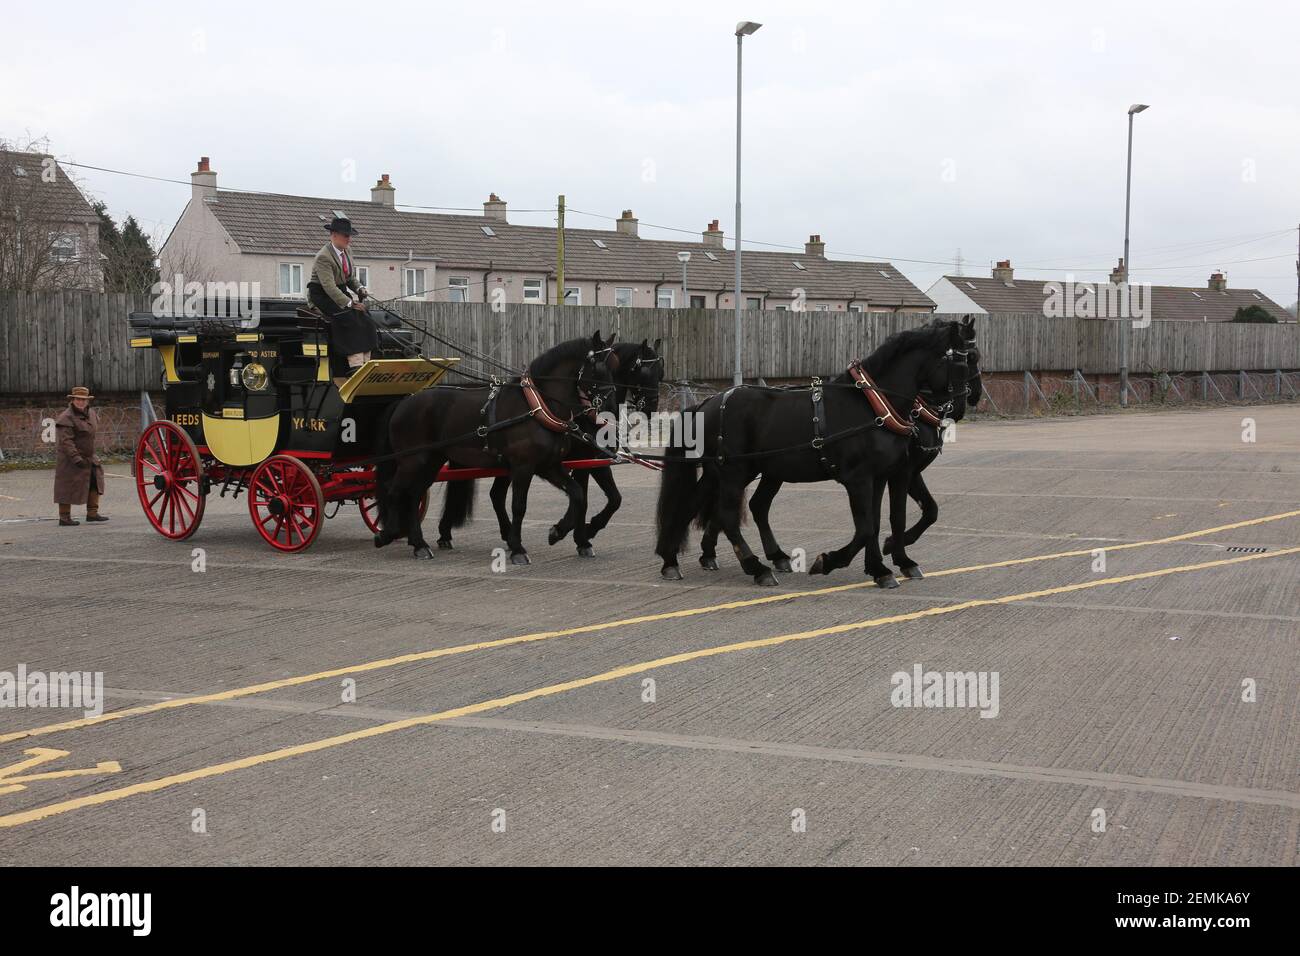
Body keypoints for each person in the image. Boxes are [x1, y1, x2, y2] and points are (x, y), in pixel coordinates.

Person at [307, 216, 377, 387]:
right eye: (346, 235)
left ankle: (366, 361)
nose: (349, 239)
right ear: (333, 235)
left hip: (339, 291)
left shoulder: (347, 251)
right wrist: (351, 303)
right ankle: (354, 365)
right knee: (348, 318)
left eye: (349, 235)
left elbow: (350, 278)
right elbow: (329, 287)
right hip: (321, 294)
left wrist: (360, 288)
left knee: (366, 317)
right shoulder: (323, 257)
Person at [53, 386, 107, 527]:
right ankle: (64, 518)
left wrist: (90, 455)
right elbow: (66, 441)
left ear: (87, 401)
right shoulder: (66, 417)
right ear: (72, 400)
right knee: (66, 486)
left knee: (95, 482)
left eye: (83, 399)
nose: (81, 402)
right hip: (70, 459)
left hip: (89, 457)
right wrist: (76, 458)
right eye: (78, 399)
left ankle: (92, 514)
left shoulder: (92, 414)